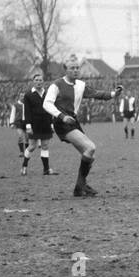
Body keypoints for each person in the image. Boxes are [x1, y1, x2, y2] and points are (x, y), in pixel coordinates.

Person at [42, 54, 122, 197]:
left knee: (90, 154)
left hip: (73, 122)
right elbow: (46, 103)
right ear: (65, 69)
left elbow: (96, 93)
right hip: (61, 123)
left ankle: (80, 186)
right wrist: (62, 116)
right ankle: (80, 186)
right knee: (90, 147)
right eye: (72, 68)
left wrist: (113, 94)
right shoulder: (57, 85)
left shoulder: (80, 85)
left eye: (77, 68)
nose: (76, 70)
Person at [21, 70, 56, 176]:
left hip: (45, 123)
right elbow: (27, 111)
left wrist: (52, 123)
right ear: (33, 82)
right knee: (32, 146)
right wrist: (28, 126)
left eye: (40, 80)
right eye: (36, 80)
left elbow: (51, 109)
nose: (38, 82)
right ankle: (24, 166)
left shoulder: (47, 94)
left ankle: (46, 169)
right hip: (34, 124)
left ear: (43, 82)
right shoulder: (28, 95)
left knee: (45, 146)